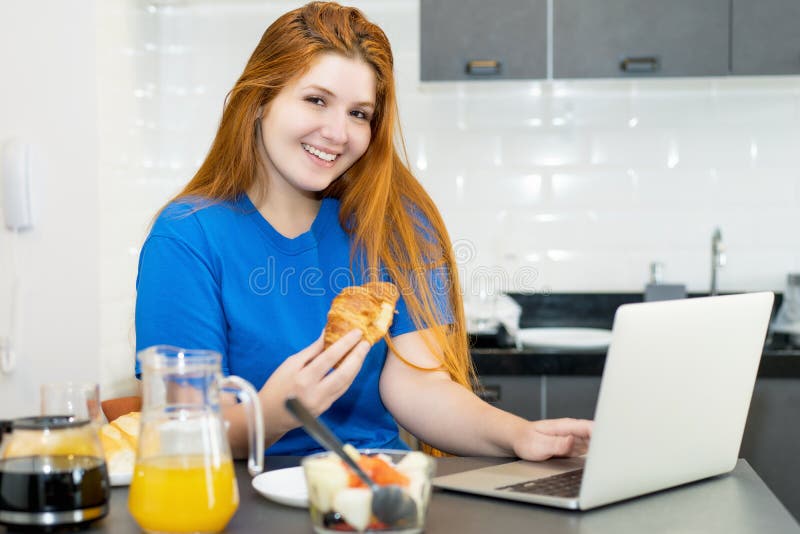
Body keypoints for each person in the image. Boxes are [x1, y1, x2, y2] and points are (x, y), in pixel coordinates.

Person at [135, 1, 592, 460]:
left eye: (359, 114)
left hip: (381, 493)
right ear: (259, 101)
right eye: (316, 100)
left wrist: (518, 435)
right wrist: (273, 413)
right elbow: (181, 434)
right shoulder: (186, 238)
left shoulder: (397, 224)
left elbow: (420, 383)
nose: (337, 132)